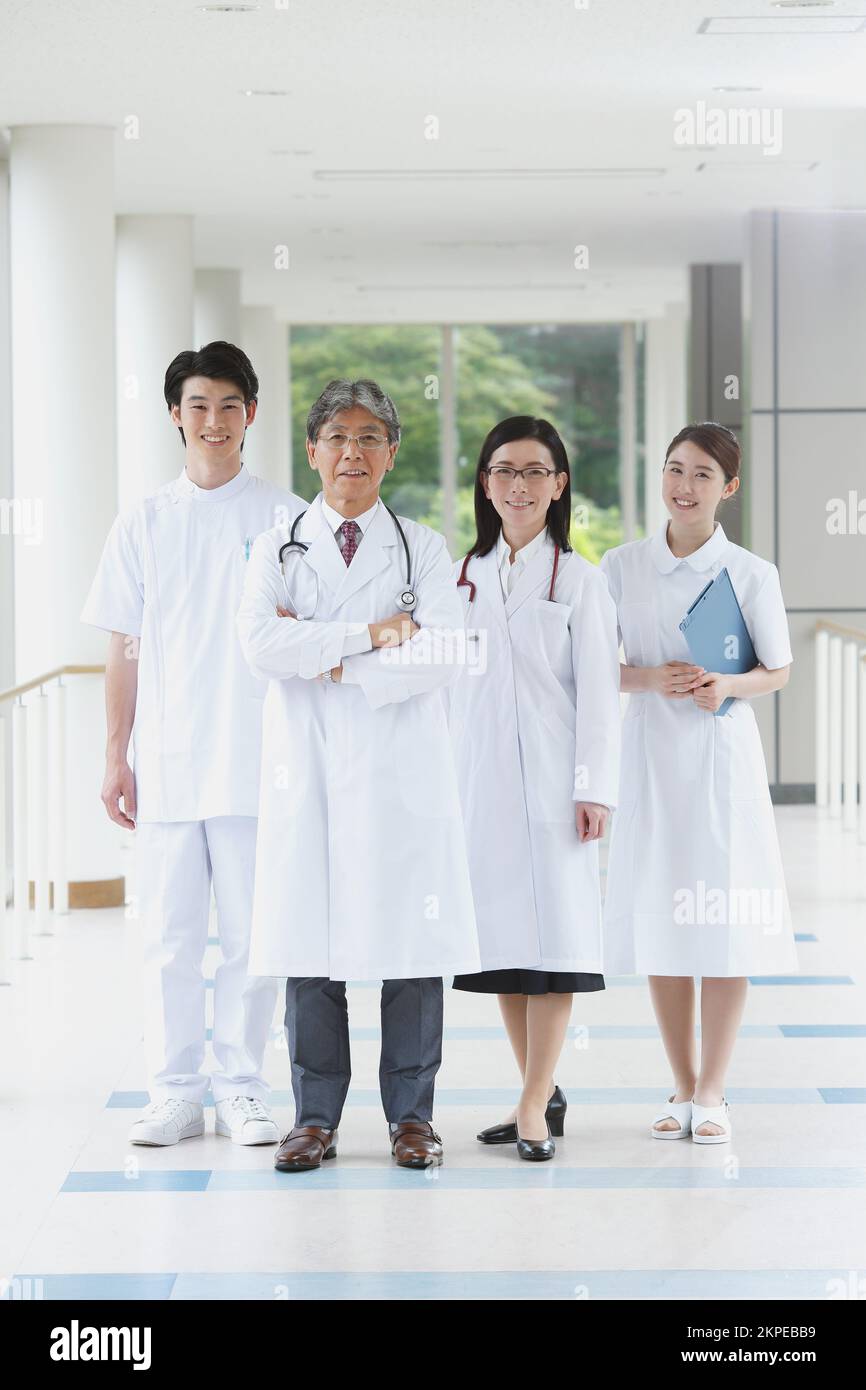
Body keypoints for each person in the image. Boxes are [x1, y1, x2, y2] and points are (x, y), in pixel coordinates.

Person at [236, 378, 480, 1173]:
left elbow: (443, 651)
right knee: (310, 950)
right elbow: (257, 646)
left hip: (399, 778)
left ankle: (413, 1119)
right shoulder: (274, 547)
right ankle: (314, 1118)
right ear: (312, 450)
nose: (353, 451)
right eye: (337, 436)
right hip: (303, 776)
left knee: (411, 951)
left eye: (370, 437)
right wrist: (369, 635)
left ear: (391, 453)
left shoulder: (424, 547)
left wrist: (329, 658)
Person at [81, 340, 303, 1147]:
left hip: (257, 764)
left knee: (252, 936)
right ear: (176, 414)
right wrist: (116, 753)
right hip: (170, 763)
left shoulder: (284, 517)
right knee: (170, 938)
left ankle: (242, 1087)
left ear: (251, 414)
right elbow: (123, 644)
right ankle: (174, 1089)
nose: (214, 421)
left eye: (230, 406)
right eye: (199, 406)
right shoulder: (145, 520)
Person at [600, 422, 797, 1145]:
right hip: (649, 756)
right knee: (662, 918)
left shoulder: (750, 573)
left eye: (703, 475)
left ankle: (713, 1090)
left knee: (722, 922)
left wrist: (727, 684)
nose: (684, 487)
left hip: (721, 757)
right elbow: (590, 666)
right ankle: (679, 1085)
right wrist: (649, 678)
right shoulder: (621, 567)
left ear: (729, 488)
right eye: (675, 469)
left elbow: (776, 669)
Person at [447, 417, 621, 1161]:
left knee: (558, 946)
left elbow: (602, 694)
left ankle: (528, 1105)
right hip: (478, 787)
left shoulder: (580, 580)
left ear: (559, 486)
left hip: (558, 789)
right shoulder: (460, 577)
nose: (519, 485)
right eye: (504, 471)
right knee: (508, 956)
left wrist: (595, 789)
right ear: (486, 484)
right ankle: (537, 1093)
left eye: (535, 472)